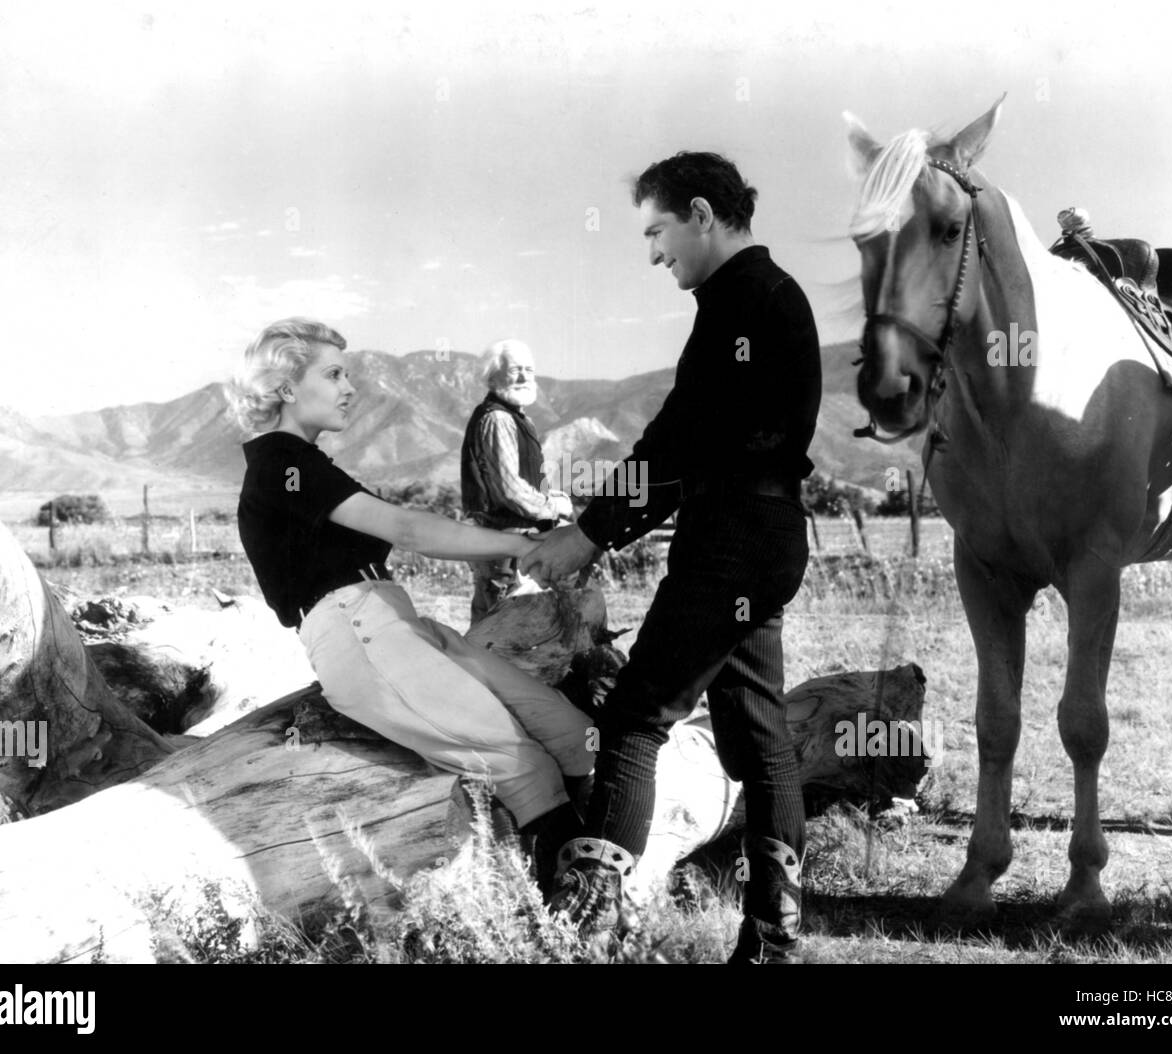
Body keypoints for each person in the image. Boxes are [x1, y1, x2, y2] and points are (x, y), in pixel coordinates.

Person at [521, 152, 822, 963]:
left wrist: (587, 533)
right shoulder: (765, 295)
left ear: (700, 213)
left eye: (658, 232)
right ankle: (772, 939)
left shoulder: (743, 302)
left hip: (731, 542)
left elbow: (679, 440)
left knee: (632, 718)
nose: (654, 254)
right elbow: (694, 439)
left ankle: (585, 934)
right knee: (756, 728)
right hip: (764, 538)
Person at [226, 318, 592, 879]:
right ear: (285, 388)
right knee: (525, 767)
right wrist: (527, 545)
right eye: (334, 373)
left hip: (391, 623)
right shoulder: (282, 463)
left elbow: (408, 528)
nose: (350, 387)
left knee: (574, 735)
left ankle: (600, 873)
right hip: (358, 634)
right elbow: (410, 530)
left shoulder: (305, 462)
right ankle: (575, 923)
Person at [460, 339, 573, 624]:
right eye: (515, 370)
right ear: (493, 375)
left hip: (510, 543)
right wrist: (554, 507)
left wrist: (553, 497)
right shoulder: (498, 419)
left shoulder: (515, 418)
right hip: (506, 544)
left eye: (529, 370)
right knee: (505, 634)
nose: (524, 377)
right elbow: (510, 491)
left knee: (496, 634)